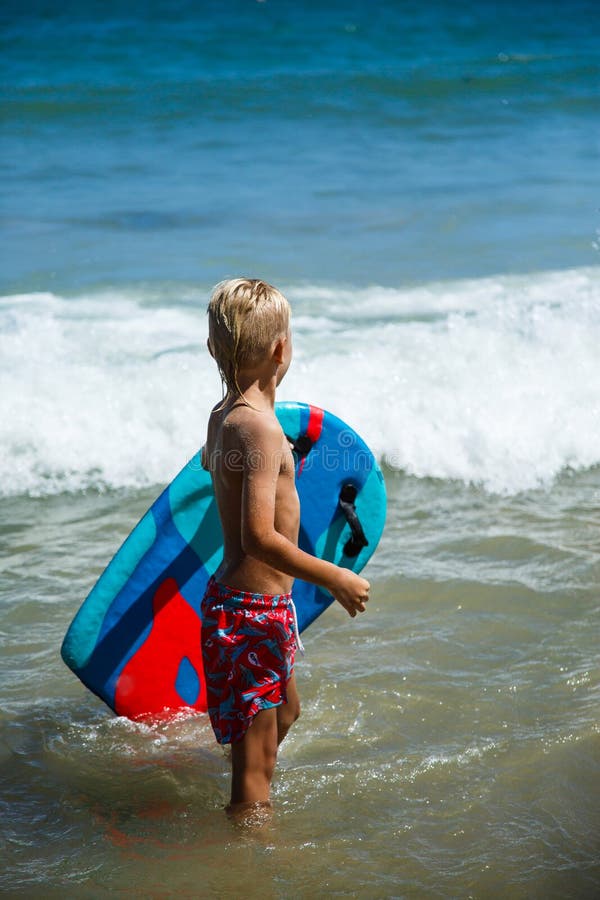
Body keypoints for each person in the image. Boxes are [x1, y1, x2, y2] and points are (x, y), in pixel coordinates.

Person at [200, 278, 369, 821]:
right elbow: (259, 538)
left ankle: (247, 761)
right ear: (280, 350)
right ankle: (251, 854)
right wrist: (334, 577)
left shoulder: (224, 416)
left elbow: (215, 474)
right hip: (252, 612)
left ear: (213, 349)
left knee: (285, 712)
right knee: (254, 773)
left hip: (252, 607)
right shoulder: (263, 430)